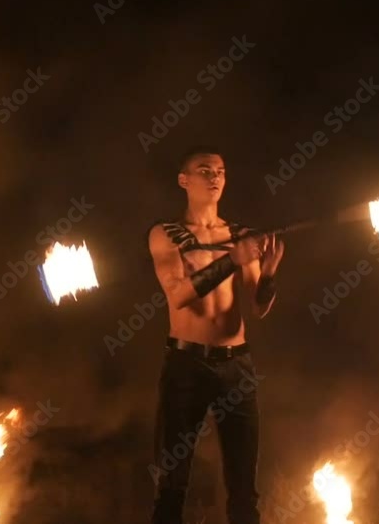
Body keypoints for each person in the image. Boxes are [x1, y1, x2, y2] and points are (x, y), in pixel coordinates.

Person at [147, 146, 284, 524]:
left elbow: (258, 307)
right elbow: (179, 294)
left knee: (244, 490)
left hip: (236, 366)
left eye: (221, 171)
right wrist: (232, 260)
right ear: (184, 180)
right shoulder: (166, 234)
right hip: (185, 365)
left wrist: (268, 275)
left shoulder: (240, 235)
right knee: (172, 486)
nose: (215, 178)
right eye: (205, 170)